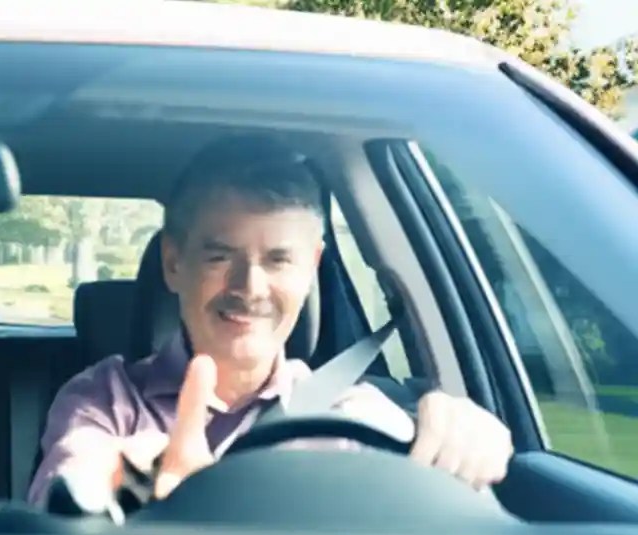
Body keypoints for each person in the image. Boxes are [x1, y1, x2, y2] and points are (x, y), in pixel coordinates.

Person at [28, 136, 513, 515]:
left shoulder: (352, 416)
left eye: (279, 260)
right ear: (173, 263)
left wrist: (464, 440)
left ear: (311, 267)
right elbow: (67, 489)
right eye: (221, 256)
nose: (250, 286)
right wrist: (130, 486)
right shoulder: (103, 400)